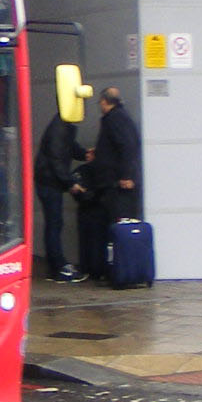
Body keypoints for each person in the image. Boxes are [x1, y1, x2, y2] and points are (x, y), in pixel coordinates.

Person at [73, 86, 143, 281]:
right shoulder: (120, 117)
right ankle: (113, 269)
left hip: (116, 184)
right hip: (112, 182)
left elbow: (127, 147)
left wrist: (126, 176)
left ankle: (118, 270)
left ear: (104, 102)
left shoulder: (115, 119)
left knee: (116, 226)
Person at [34, 110, 86, 282]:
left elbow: (67, 148)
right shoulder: (61, 128)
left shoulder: (61, 125)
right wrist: (70, 182)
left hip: (47, 181)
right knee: (54, 223)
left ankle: (55, 266)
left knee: (54, 223)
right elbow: (57, 158)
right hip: (49, 182)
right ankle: (57, 267)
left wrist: (84, 154)